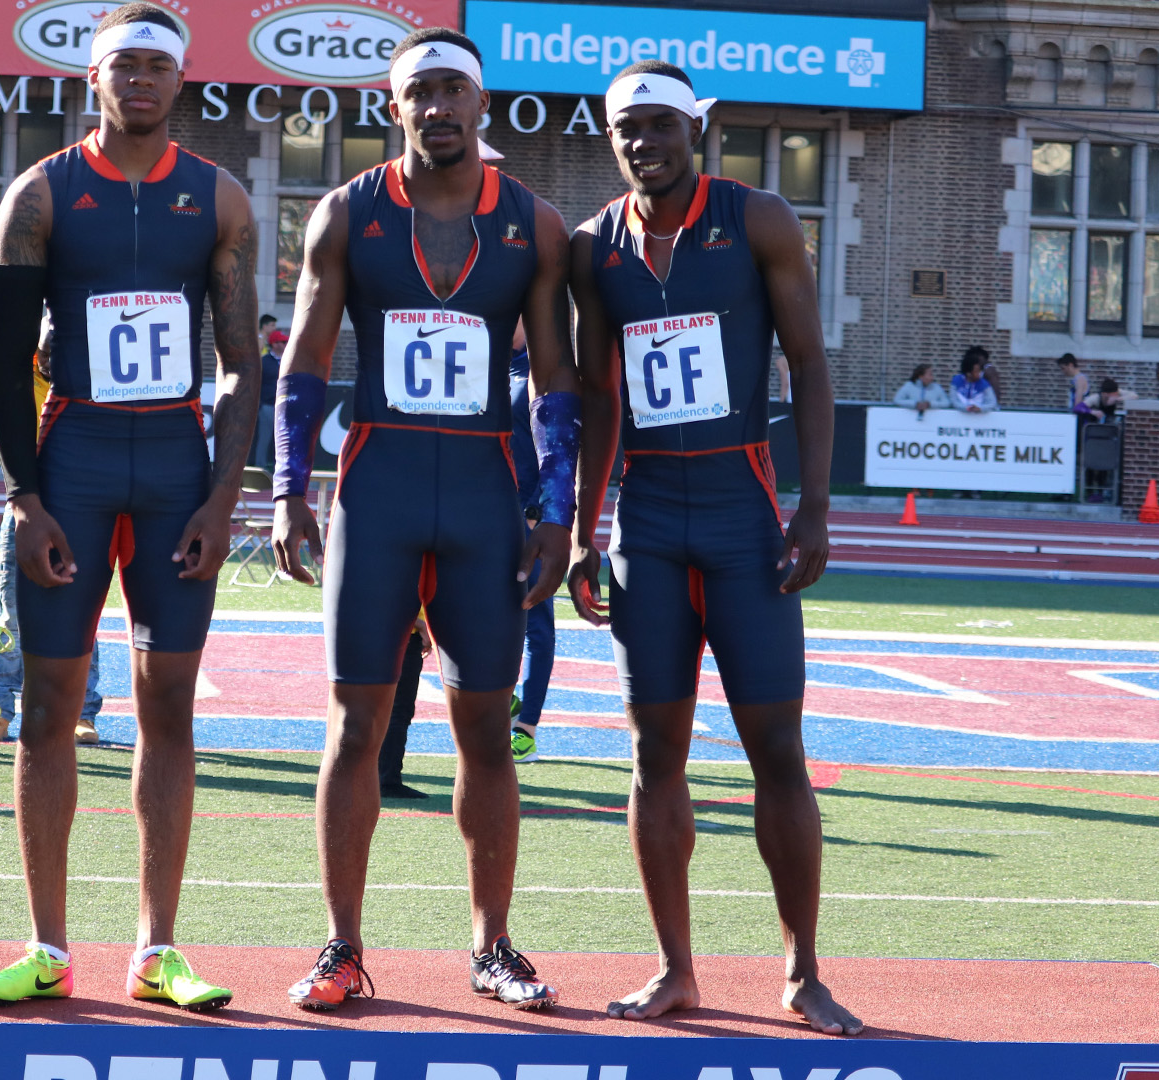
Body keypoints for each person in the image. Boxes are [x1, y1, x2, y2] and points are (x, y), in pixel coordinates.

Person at [272, 27, 576, 1012]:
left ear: (482, 106)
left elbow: (556, 383)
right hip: (378, 491)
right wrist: (285, 489)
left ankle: (493, 946)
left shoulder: (533, 225)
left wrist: (555, 509)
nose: (438, 106)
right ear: (391, 106)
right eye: (420, 92)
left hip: (486, 500)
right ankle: (342, 947)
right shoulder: (347, 215)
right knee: (354, 724)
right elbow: (306, 363)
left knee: (485, 728)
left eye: (455, 90)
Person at [0, 2, 260, 1012]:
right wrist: (24, 496)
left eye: (156, 66)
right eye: (121, 65)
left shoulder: (218, 201)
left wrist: (225, 495)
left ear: (181, 82)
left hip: (176, 467)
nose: (139, 80)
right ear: (92, 79)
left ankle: (158, 950)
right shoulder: (40, 196)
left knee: (167, 713)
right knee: (47, 713)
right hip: (74, 460)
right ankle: (46, 945)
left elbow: (239, 363)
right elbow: (6, 362)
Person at [565, 61, 862, 1036]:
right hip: (649, 532)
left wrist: (813, 508)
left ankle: (803, 974)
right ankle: (676, 969)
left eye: (660, 125)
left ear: (700, 127)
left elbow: (812, 364)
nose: (642, 143)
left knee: (779, 750)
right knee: (656, 757)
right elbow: (599, 398)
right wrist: (583, 529)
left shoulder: (759, 219)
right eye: (625, 130)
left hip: (743, 526)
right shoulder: (591, 249)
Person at [0, 317, 108, 746]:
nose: (52, 358)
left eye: (62, 347)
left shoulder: (93, 381)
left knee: (82, 614)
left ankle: (81, 711)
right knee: (11, 610)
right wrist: (13, 335)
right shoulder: (17, 367)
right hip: (23, 507)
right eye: (46, 348)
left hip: (84, 506)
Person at [505, 319, 552, 764]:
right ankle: (505, 699)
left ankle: (527, 729)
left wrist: (540, 510)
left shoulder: (544, 370)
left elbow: (558, 449)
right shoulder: (483, 368)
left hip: (529, 517)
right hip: (488, 516)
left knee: (536, 623)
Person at [375, 619, 431, 799]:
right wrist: (420, 624)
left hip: (371, 630)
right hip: (403, 632)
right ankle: (387, 779)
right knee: (398, 710)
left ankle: (365, 776)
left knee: (370, 707)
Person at [254, 325, 286, 468]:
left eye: (286, 342)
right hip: (268, 405)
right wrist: (259, 403)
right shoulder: (264, 362)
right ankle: (260, 467)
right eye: (282, 342)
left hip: (285, 406)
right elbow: (256, 383)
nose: (285, 345)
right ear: (274, 344)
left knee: (282, 440)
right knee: (265, 438)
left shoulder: (288, 360)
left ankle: (279, 468)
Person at [1058, 354, 1090, 419]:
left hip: (1079, 418)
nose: (1063, 371)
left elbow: (1078, 403)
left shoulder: (1080, 379)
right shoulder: (1076, 379)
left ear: (1070, 365)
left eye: (1063, 368)